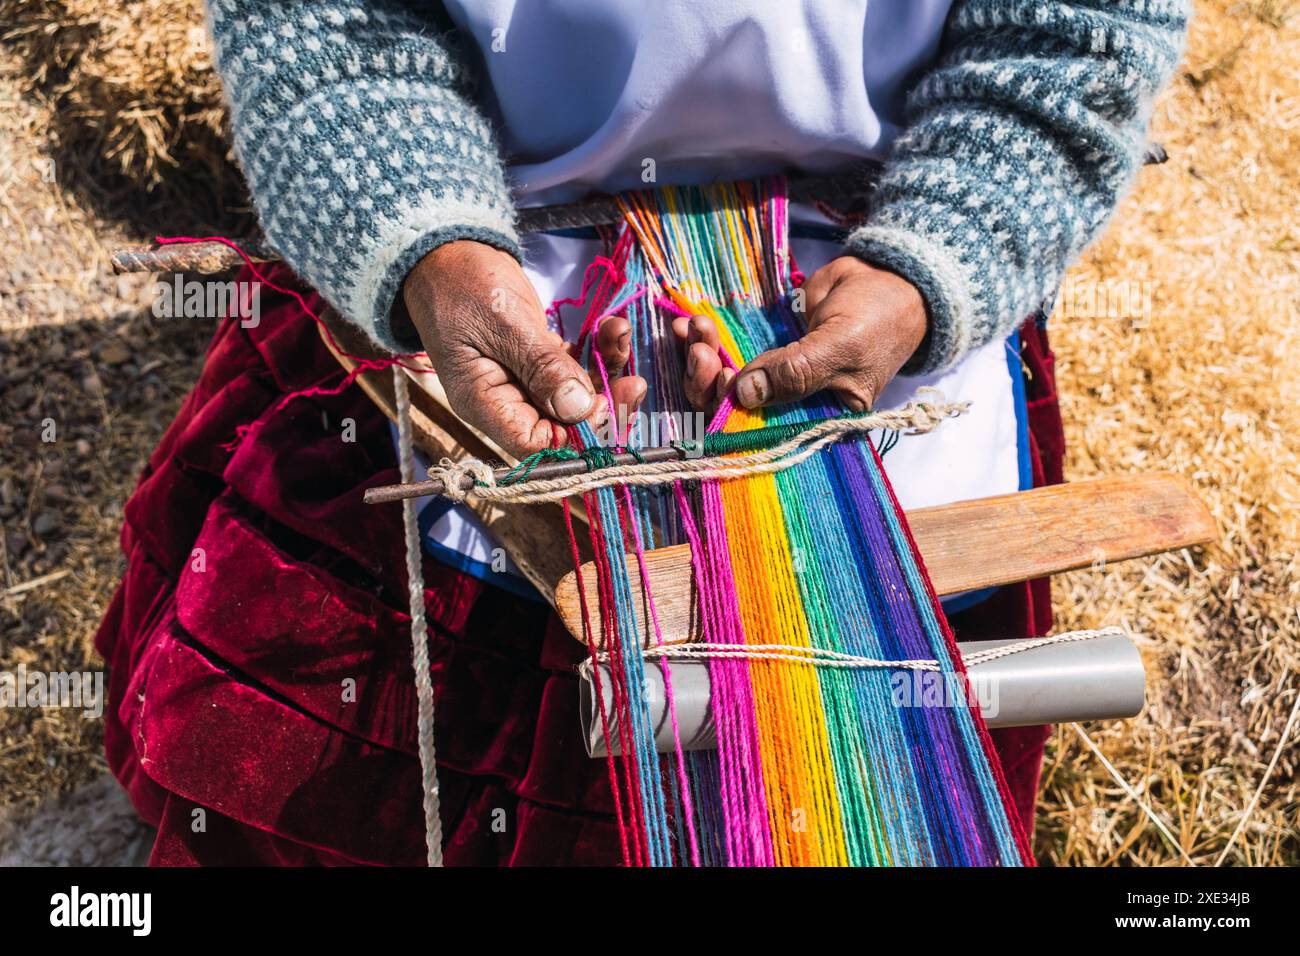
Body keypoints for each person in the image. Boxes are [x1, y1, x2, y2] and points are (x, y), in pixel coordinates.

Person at [96, 1, 1188, 864]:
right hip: (491, 256)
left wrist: (949, 246)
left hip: (880, 292)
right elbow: (325, 24)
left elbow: (1074, 31)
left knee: (858, 768)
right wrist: (420, 240)